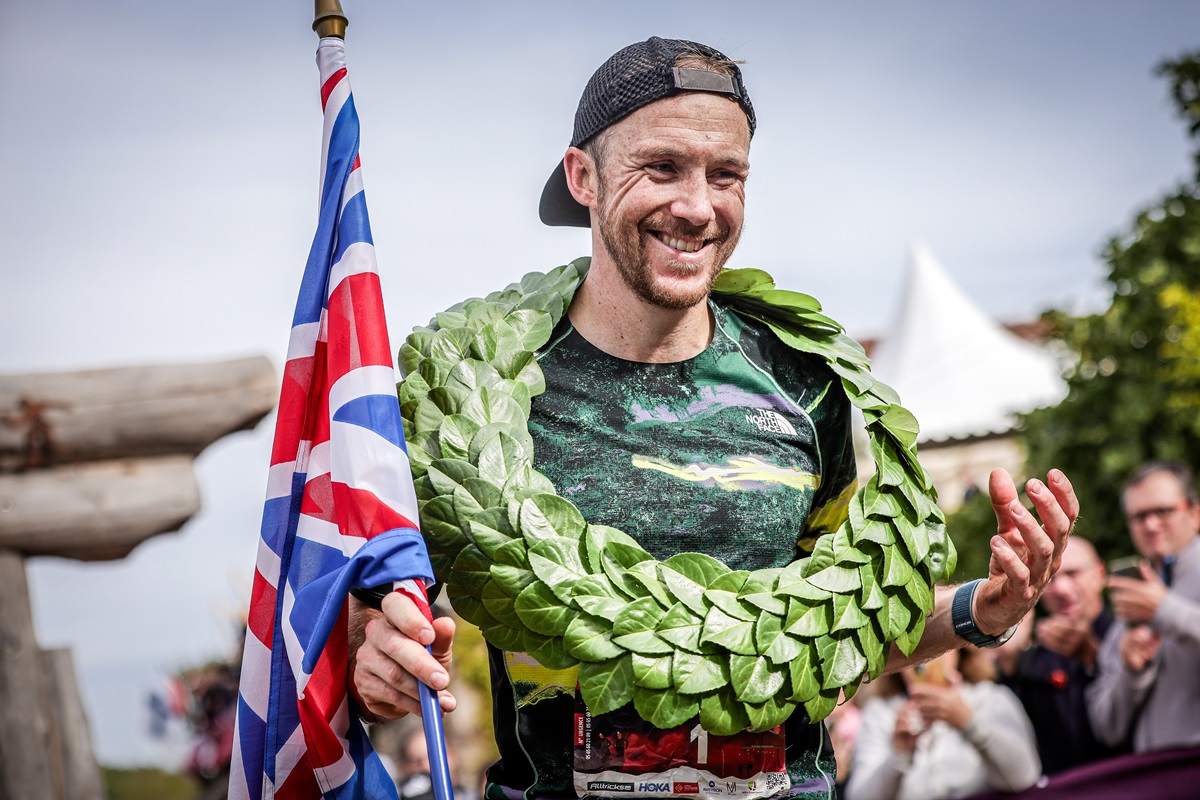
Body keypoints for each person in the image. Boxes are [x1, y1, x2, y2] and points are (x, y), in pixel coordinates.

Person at [349, 36, 1079, 799]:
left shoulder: (808, 389)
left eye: (725, 174)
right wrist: (375, 663)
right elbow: (377, 630)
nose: (698, 207)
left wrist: (984, 609)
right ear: (584, 178)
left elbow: (838, 631)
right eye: (662, 167)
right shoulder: (482, 399)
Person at [1086, 461, 1200, 753]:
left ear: (1195, 513)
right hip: (1155, 773)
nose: (1150, 525)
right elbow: (1106, 727)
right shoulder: (1134, 597)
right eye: (1139, 517)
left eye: (1162, 511)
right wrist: (1133, 672)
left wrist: (1164, 610)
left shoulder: (1149, 601)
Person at [1001, 536, 1128, 774]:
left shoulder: (1129, 639)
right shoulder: (1032, 659)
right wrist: (1009, 664)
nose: (1061, 589)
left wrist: (1093, 659)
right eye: (1049, 580)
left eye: (1072, 574)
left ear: (1099, 573)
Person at [846, 646, 1040, 799]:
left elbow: (1024, 778)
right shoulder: (881, 713)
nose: (926, 659)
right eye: (911, 648)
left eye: (939, 646)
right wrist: (898, 755)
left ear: (961, 648)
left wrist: (969, 723)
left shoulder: (991, 698)